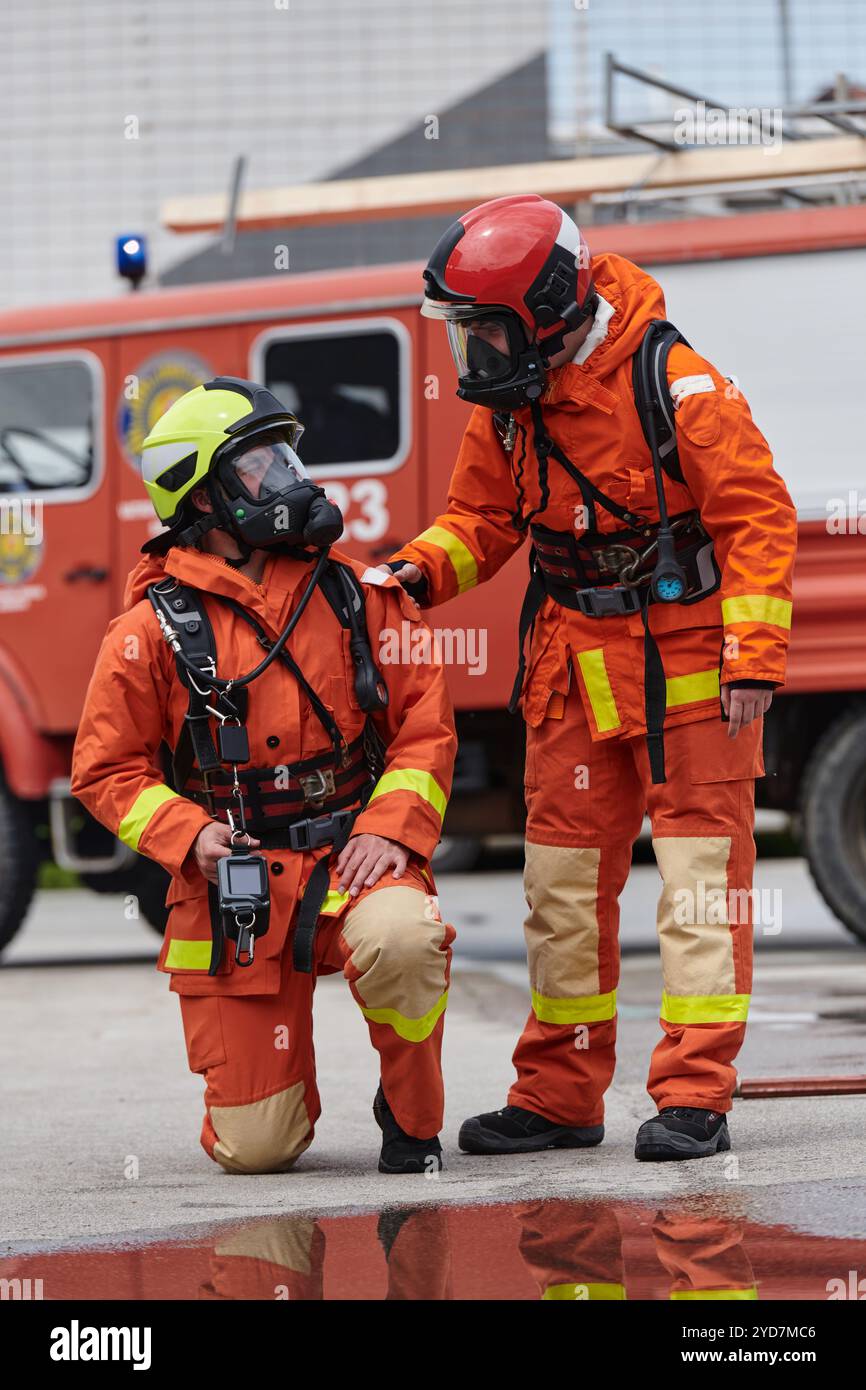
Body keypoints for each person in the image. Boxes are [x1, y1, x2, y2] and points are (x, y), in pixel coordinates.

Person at [385, 195, 797, 1161]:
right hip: (571, 668)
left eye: (485, 332)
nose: (473, 356)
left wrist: (755, 661)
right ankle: (561, 1096)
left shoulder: (676, 382)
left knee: (700, 888)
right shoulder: (513, 406)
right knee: (560, 891)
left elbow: (758, 520)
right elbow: (480, 522)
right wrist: (414, 573)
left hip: (689, 669)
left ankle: (694, 1094)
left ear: (547, 312)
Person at [72, 376, 456, 1175]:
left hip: (352, 860)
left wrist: (391, 829)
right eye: (261, 464)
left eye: (287, 456)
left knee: (404, 937)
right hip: (236, 894)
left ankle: (411, 1114)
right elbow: (106, 770)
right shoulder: (146, 633)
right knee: (257, 1151)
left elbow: (424, 724)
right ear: (204, 498)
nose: (290, 478)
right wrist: (189, 834)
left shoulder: (354, 593)